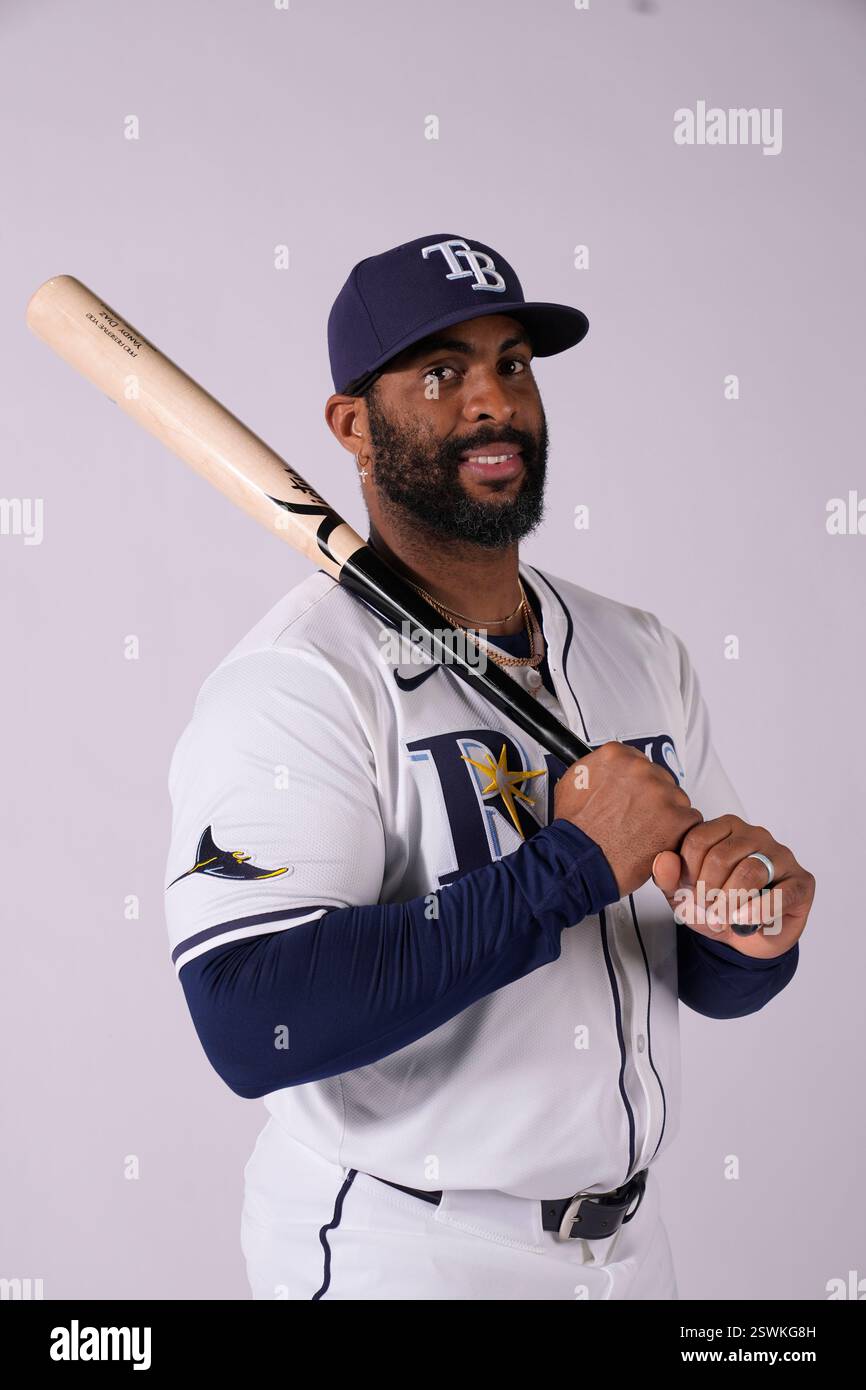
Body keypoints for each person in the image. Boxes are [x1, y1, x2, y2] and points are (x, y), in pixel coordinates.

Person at [164, 234, 814, 1300]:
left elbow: (692, 969)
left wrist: (747, 935)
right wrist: (565, 864)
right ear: (350, 428)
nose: (490, 402)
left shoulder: (633, 647)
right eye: (439, 373)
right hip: (404, 1249)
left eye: (512, 362)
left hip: (625, 1251)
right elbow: (249, 1021)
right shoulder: (296, 684)